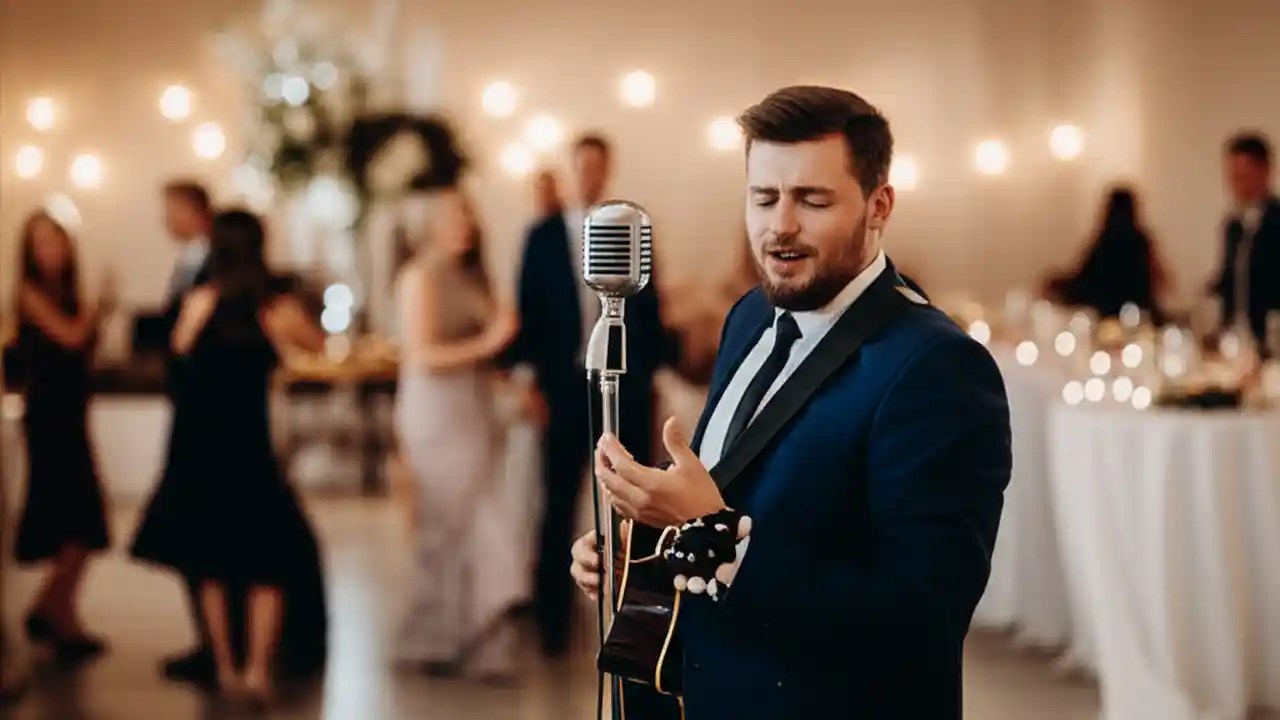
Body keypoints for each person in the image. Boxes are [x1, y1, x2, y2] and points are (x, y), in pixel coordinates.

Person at [571, 86, 1011, 718]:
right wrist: (644, 549)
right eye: (764, 197)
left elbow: (921, 620)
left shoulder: (938, 367)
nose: (781, 225)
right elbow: (744, 500)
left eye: (812, 199)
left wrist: (714, 536)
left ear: (878, 205)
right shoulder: (751, 316)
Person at [131, 210, 328, 704]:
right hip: (251, 446)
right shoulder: (273, 305)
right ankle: (257, 669)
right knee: (267, 561)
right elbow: (317, 348)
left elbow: (177, 360)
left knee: (211, 562)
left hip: (202, 446)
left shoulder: (201, 301)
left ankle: (225, 667)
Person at [506, 133, 669, 656]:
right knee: (556, 503)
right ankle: (552, 623)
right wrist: (530, 382)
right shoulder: (542, 235)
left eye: (598, 167)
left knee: (635, 504)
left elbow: (652, 311)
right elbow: (527, 312)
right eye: (581, 168)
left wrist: (650, 379)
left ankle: (639, 616)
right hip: (563, 388)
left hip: (628, 389)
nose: (588, 176)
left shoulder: (631, 229)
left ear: (608, 170)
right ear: (571, 170)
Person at [393, 191, 524, 679]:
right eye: (451, 216)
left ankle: (472, 636)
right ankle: (435, 637)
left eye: (467, 214)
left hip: (473, 406)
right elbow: (423, 355)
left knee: (477, 517)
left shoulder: (472, 277)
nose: (462, 224)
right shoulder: (418, 277)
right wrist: (490, 341)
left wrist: (504, 372)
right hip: (434, 409)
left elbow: (493, 345)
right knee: (445, 521)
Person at [11, 210, 112, 661]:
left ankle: (56, 609)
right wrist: (99, 308)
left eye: (56, 241)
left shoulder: (67, 293)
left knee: (83, 519)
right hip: (48, 417)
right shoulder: (29, 294)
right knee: (74, 516)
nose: (51, 251)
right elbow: (70, 337)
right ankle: (55, 611)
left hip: (71, 412)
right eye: (41, 243)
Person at [1044, 186, 1168, 320]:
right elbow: (1162, 278)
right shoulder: (1141, 240)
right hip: (1138, 315)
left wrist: (1055, 282)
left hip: (1105, 315)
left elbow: (1083, 278)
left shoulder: (1103, 242)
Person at [1211, 132, 1280, 351]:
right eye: (1232, 177)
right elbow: (1229, 278)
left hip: (1271, 339)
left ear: (1266, 172)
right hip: (1237, 340)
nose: (1237, 186)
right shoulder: (1233, 225)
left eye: (1244, 177)